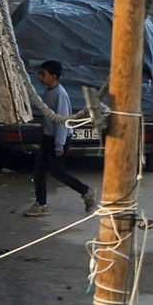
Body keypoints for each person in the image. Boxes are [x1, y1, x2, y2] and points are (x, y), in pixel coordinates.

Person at [22, 60, 98, 218]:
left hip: (59, 139)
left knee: (57, 172)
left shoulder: (60, 94)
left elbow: (63, 121)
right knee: (39, 171)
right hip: (48, 137)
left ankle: (86, 192)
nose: (40, 77)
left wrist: (59, 145)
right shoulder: (48, 91)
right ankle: (41, 205)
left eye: (43, 74)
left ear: (54, 76)